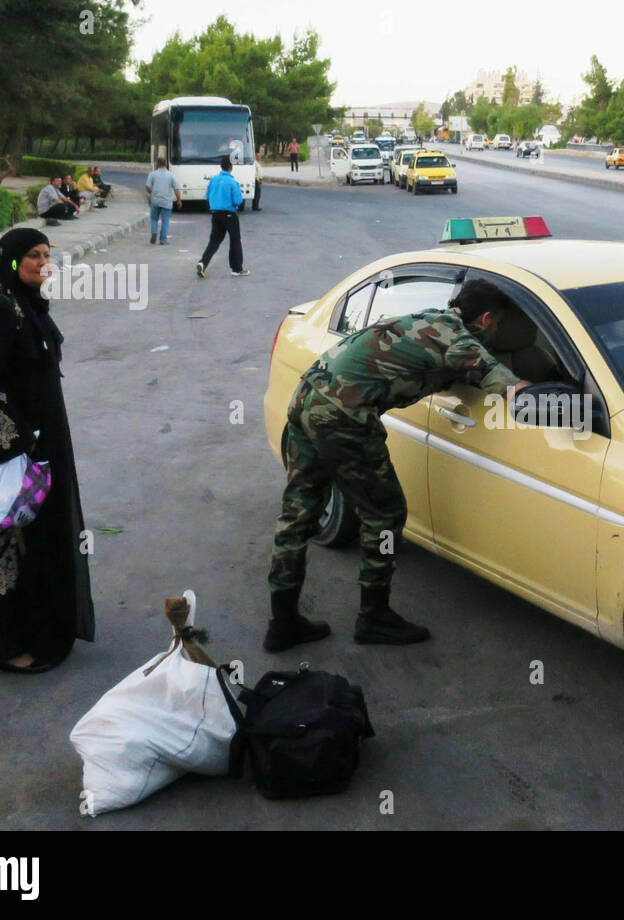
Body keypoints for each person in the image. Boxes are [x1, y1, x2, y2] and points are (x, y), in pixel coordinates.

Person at [266, 279, 533, 651]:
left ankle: (282, 623)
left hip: (308, 396)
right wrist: (572, 406)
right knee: (385, 515)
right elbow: (511, 390)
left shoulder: (429, 319)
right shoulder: (457, 339)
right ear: (488, 318)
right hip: (343, 416)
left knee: (298, 513)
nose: (500, 330)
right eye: (501, 323)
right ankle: (374, 617)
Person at [0, 228, 95, 672]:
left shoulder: (29, 308)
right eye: (32, 256)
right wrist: (19, 440)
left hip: (41, 450)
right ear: (9, 261)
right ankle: (3, 644)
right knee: (8, 548)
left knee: (41, 540)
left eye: (46, 255)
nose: (42, 262)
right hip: (9, 455)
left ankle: (42, 628)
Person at [195, 156, 248, 278]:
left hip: (216, 214)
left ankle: (203, 262)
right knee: (235, 240)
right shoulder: (233, 182)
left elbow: (207, 196)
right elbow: (238, 201)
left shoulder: (213, 180)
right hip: (229, 214)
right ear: (231, 167)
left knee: (214, 241)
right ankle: (237, 268)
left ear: (221, 166)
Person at [145, 157, 182, 245]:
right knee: (165, 221)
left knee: (154, 219)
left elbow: (147, 186)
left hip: (155, 201)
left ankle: (154, 233)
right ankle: (163, 240)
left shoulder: (152, 174)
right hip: (167, 202)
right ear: (166, 164)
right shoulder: (171, 175)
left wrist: (152, 193)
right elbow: (176, 189)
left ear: (157, 164)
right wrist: (179, 200)